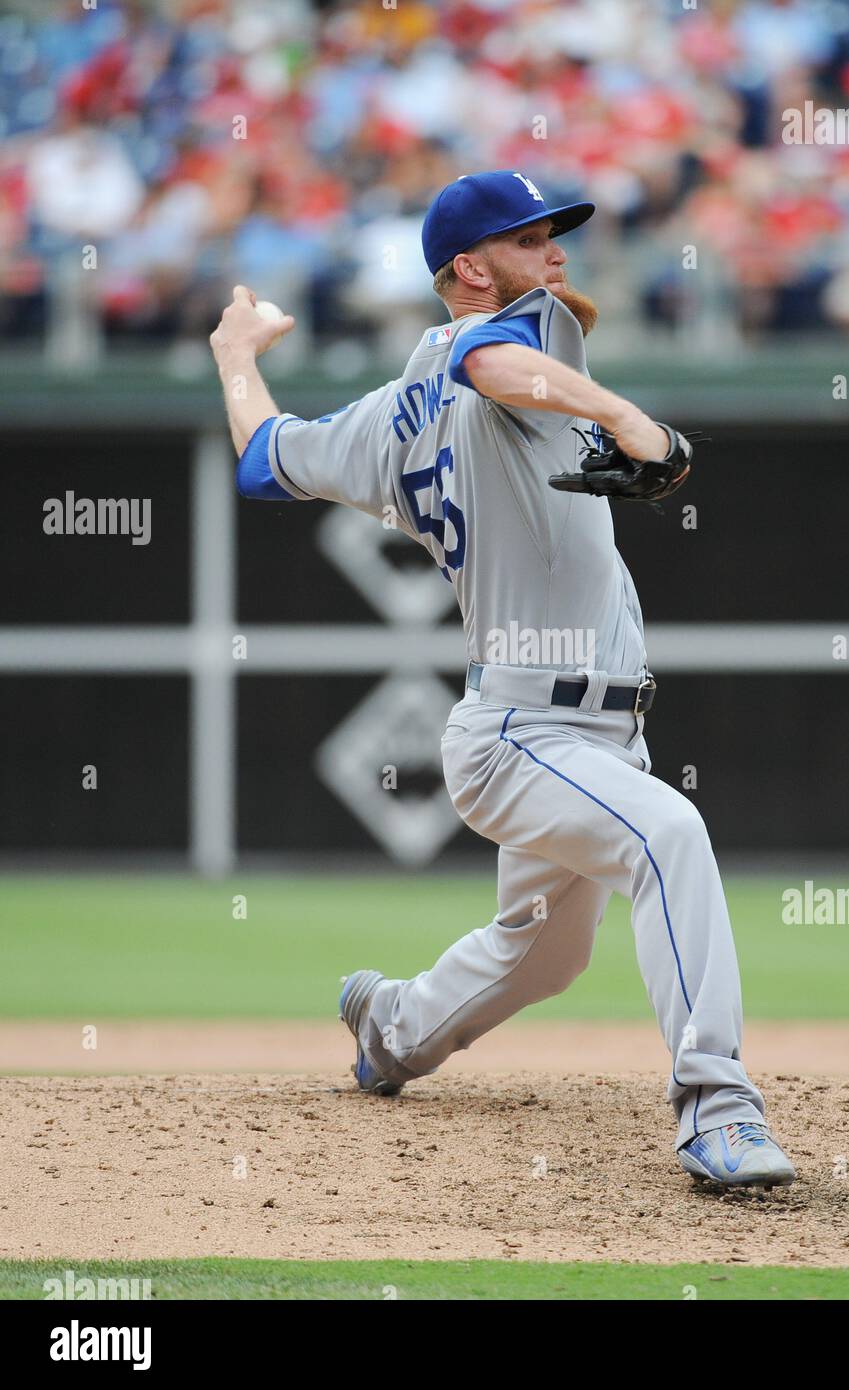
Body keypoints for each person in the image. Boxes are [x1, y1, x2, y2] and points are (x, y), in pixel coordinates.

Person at [209, 169, 796, 1189]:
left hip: (570, 730)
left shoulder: (388, 417)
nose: (556, 254)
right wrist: (626, 415)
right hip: (527, 729)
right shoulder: (501, 338)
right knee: (670, 834)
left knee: (547, 955)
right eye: (531, 240)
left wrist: (233, 357)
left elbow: (263, 455)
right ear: (471, 270)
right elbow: (485, 356)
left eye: (554, 235)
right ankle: (718, 1110)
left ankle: (390, 1027)